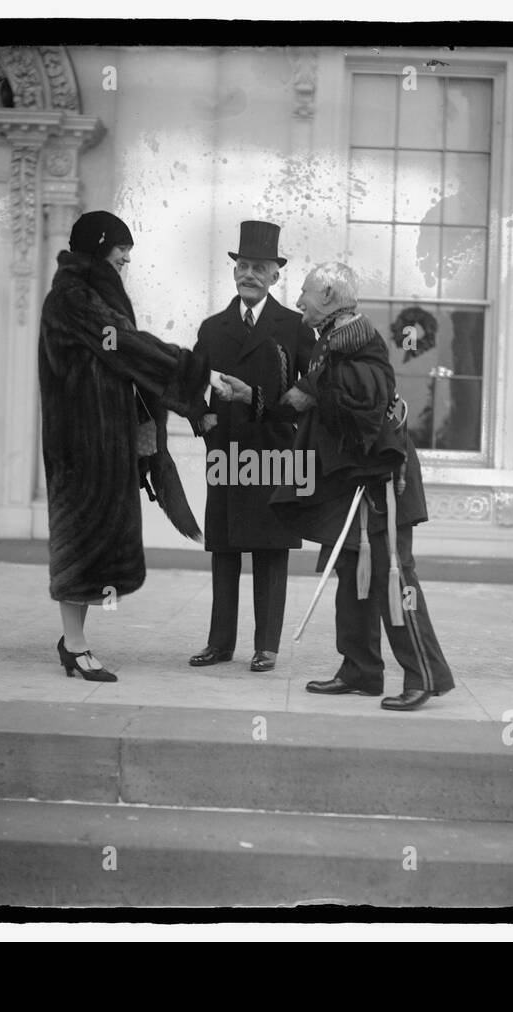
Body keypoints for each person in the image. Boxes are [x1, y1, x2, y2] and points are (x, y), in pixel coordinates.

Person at [217, 261, 455, 711]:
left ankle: (424, 675)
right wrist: (252, 396)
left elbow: (367, 408)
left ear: (328, 297)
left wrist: (317, 394)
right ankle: (360, 671)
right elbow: (302, 401)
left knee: (392, 578)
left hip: (380, 484)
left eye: (305, 292)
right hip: (351, 486)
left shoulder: (358, 343)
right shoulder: (332, 345)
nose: (299, 299)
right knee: (353, 579)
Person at [38, 210, 211, 682]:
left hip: (96, 441)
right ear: (96, 252)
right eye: (119, 257)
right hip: (81, 444)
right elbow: (128, 347)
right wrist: (198, 374)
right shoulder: (74, 299)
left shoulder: (87, 294)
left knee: (91, 546)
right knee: (81, 544)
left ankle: (73, 641)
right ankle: (74, 646)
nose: (124, 265)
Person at [188, 221, 315, 673]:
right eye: (243, 266)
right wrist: (200, 419)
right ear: (234, 272)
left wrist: (264, 404)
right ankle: (220, 644)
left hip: (276, 453)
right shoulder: (212, 328)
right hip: (226, 452)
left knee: (270, 550)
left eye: (259, 268)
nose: (249, 274)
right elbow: (190, 385)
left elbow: (313, 387)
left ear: (276, 276)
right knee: (224, 549)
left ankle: (267, 647)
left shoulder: (295, 328)